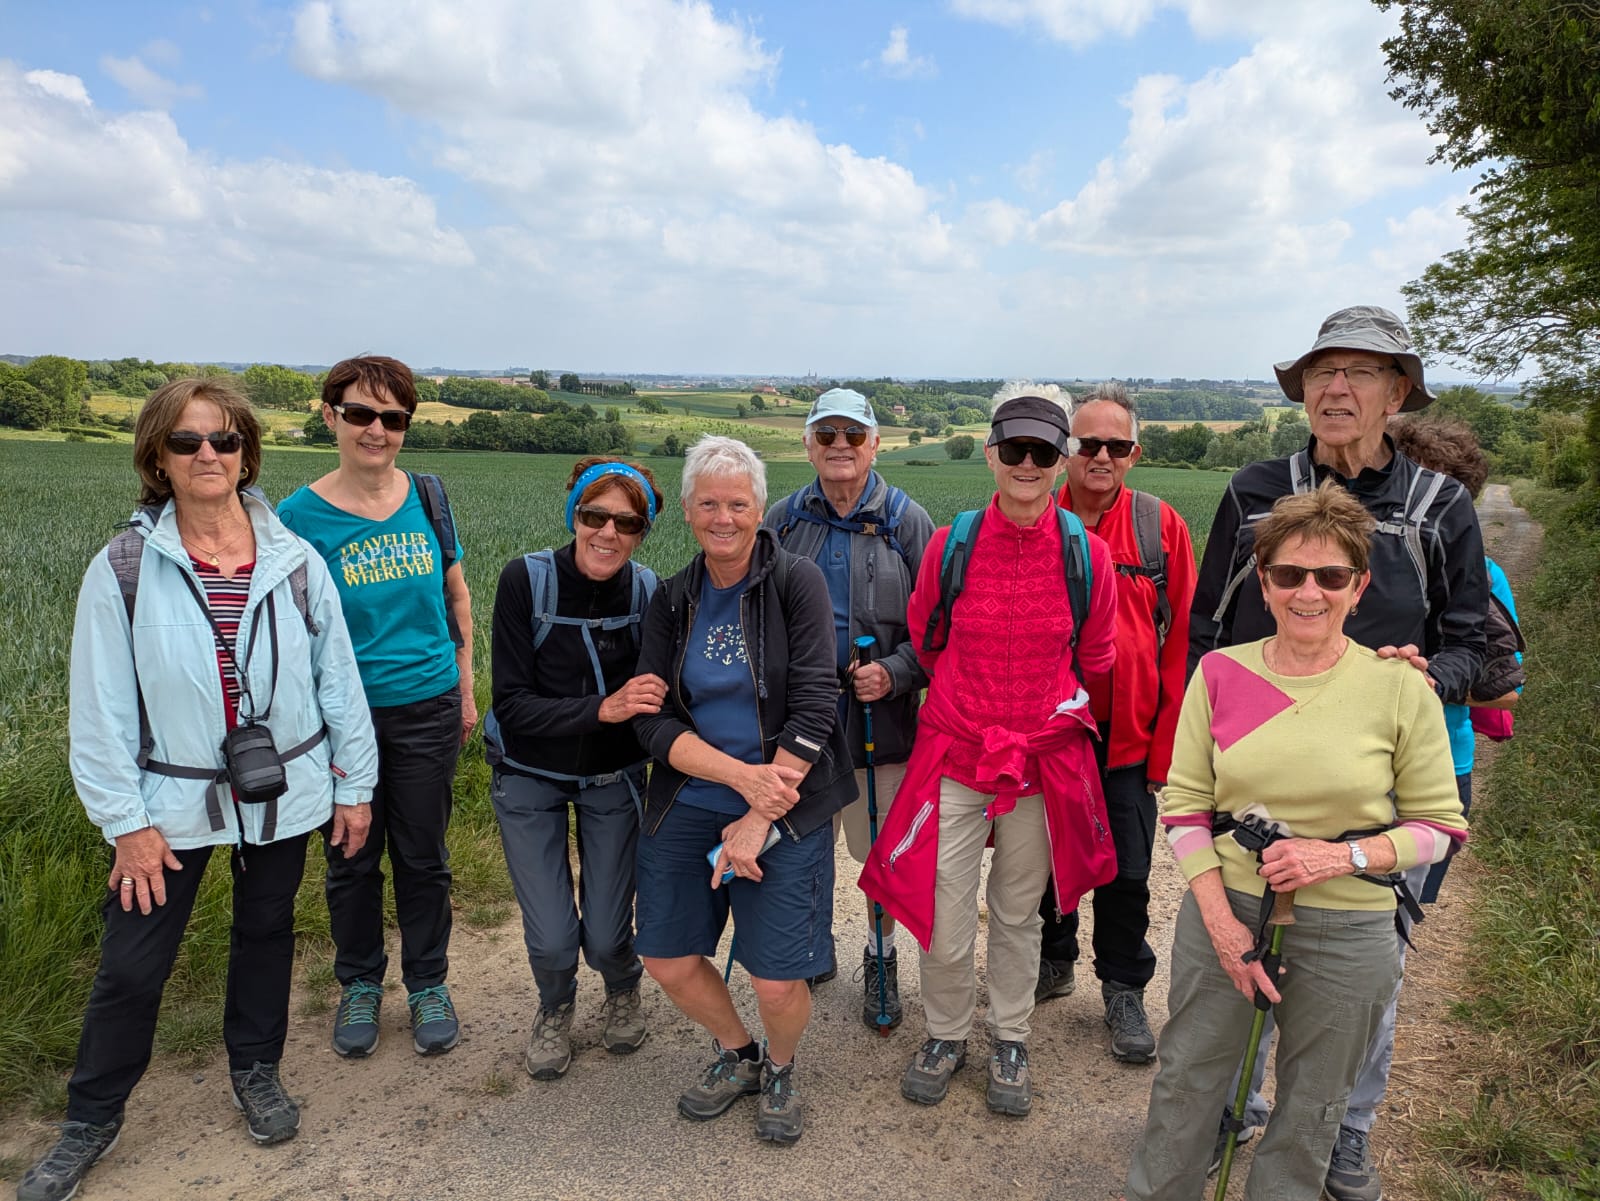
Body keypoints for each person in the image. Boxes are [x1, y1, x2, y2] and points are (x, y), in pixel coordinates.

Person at [20, 380, 378, 1201]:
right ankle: (90, 1118)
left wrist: (354, 785)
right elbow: (99, 709)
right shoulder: (123, 569)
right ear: (158, 458)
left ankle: (257, 1071)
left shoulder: (293, 559)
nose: (207, 454)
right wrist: (126, 824)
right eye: (186, 442)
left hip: (283, 790)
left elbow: (338, 679)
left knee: (267, 934)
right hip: (169, 805)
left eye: (222, 439)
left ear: (247, 451)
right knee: (132, 963)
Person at [1187, 305, 1489, 1197]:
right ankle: (1232, 1106)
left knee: (1368, 964)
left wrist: (1429, 670)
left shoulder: (1441, 507)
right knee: (1241, 939)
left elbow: (1481, 645)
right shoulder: (1254, 491)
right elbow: (1210, 629)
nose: (1337, 388)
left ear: (1398, 393)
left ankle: (1340, 1132)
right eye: (1322, 372)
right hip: (1261, 769)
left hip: (1394, 779)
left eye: (1360, 372)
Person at [1125, 481, 1468, 1201]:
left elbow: (1440, 827)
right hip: (1229, 908)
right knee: (1190, 1074)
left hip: (1353, 924)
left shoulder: (1400, 687)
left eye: (1331, 576)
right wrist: (1218, 920)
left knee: (1315, 1098)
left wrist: (1338, 855)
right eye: (1288, 574)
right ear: (1264, 578)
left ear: (1359, 584)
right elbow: (1185, 804)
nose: (1308, 592)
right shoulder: (1219, 673)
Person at [860, 387, 1118, 1120]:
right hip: (956, 751)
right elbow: (929, 639)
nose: (1029, 464)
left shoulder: (1085, 556)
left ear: (1061, 459)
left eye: (1044, 451)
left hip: (1039, 759)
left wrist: (1038, 714)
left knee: (1015, 909)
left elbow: (1096, 660)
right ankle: (944, 1033)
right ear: (992, 454)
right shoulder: (952, 544)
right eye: (1016, 449)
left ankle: (1009, 1034)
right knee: (941, 912)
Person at [632, 435, 857, 1145]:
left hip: (788, 801)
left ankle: (783, 1064)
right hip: (693, 797)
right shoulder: (672, 599)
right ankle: (739, 1052)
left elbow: (818, 702)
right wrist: (737, 780)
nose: (722, 516)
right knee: (665, 955)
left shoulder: (796, 584)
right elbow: (654, 723)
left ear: (760, 509)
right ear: (690, 513)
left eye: (737, 503)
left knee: (776, 977)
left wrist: (759, 814)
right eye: (708, 503)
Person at [278, 355, 476, 1059]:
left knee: (423, 856)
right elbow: (288, 633)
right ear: (330, 415)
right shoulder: (297, 517)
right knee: (351, 856)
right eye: (360, 413)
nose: (377, 430)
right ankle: (360, 981)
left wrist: (466, 685)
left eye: (392, 418)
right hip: (343, 719)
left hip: (426, 704)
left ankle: (428, 982)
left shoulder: (427, 495)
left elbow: (456, 597)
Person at [484, 457, 666, 1080]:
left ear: (643, 533)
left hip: (614, 779)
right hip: (528, 773)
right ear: (574, 517)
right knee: (555, 937)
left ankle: (622, 987)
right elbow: (511, 705)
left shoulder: (648, 594)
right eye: (594, 516)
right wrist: (604, 708)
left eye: (627, 522)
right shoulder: (524, 582)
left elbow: (661, 697)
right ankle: (555, 1005)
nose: (608, 533)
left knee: (611, 933)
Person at [1033, 381, 1197, 1065]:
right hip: (1048, 737)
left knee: (1127, 872)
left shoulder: (1161, 528)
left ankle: (1123, 984)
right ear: (1067, 448)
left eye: (1116, 445)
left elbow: (1182, 643)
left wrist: (1165, 756)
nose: (1101, 455)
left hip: (1128, 742)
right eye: (1087, 443)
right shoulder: (1034, 515)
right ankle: (1053, 954)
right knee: (1040, 858)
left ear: (1134, 452)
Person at [763, 387, 934, 1028]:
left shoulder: (906, 520)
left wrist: (893, 673)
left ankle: (880, 953)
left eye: (852, 436)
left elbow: (938, 629)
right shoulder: (781, 519)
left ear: (874, 445)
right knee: (803, 845)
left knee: (878, 853)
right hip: (797, 729)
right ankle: (812, 944)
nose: (840, 447)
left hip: (879, 726)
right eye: (826, 435)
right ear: (807, 444)